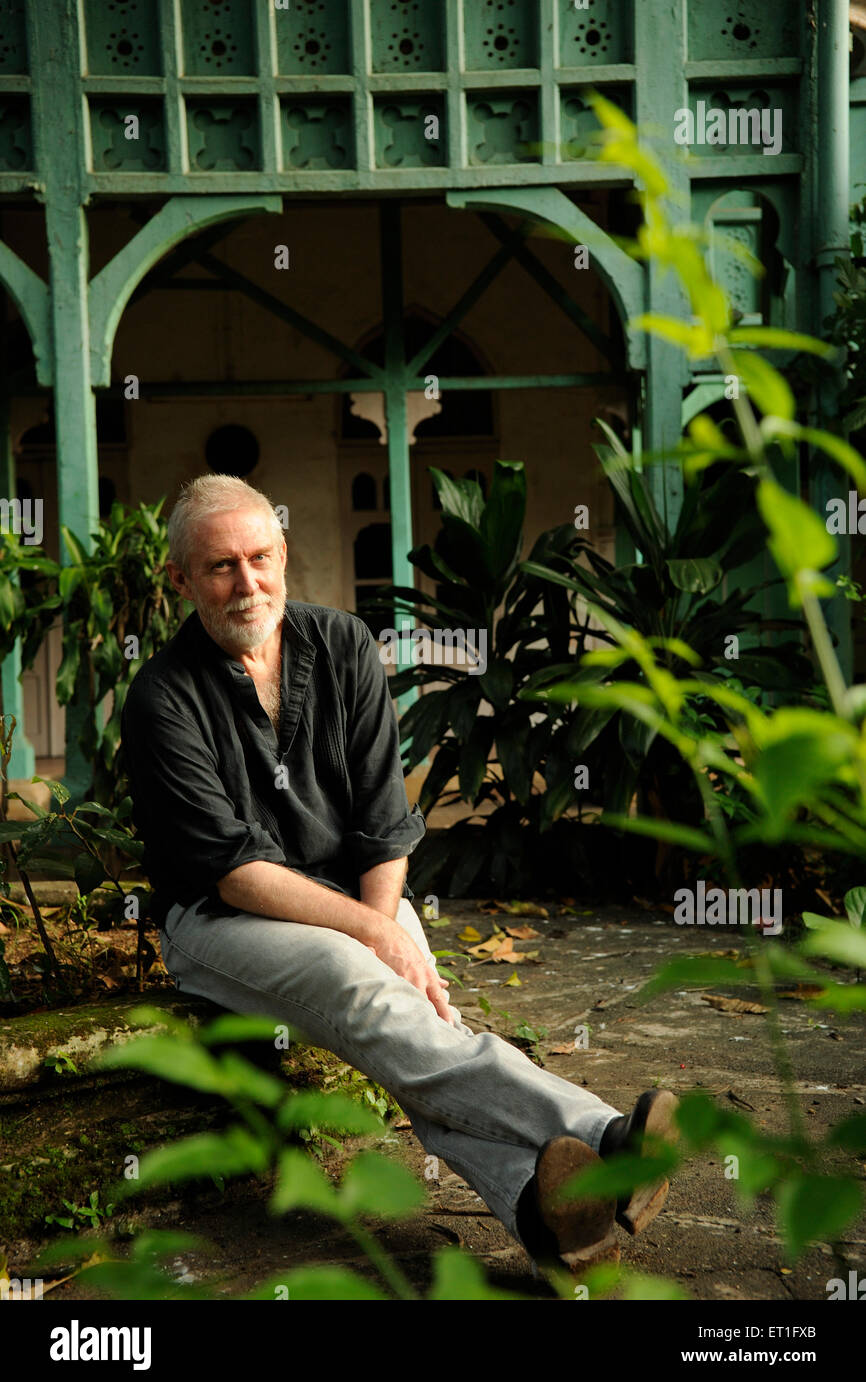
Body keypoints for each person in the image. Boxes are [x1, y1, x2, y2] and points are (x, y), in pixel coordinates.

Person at [120, 473, 679, 1278]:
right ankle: (603, 1137)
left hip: (352, 896)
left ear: (283, 555)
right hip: (220, 923)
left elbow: (383, 825)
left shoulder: (342, 645)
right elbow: (239, 875)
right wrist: (380, 934)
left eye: (262, 558)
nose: (249, 583)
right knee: (369, 984)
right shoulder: (162, 697)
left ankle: (548, 1216)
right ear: (180, 580)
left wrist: (381, 919)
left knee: (409, 1024)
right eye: (220, 568)